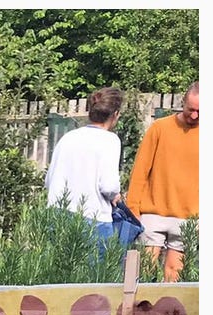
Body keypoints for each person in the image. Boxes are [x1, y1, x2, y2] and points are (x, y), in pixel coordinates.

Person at [47, 88, 135, 252]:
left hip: (57, 214)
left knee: (59, 274)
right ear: (115, 114)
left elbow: (49, 179)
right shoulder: (109, 140)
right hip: (92, 219)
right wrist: (116, 195)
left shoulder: (68, 137)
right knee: (95, 276)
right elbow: (108, 186)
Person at [128, 82, 199, 277]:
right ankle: (139, 308)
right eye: (190, 109)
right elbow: (140, 170)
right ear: (182, 102)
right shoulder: (160, 128)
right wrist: (133, 208)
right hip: (153, 212)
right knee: (144, 271)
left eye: (200, 111)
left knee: (174, 273)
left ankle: (169, 309)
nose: (194, 116)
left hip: (189, 217)